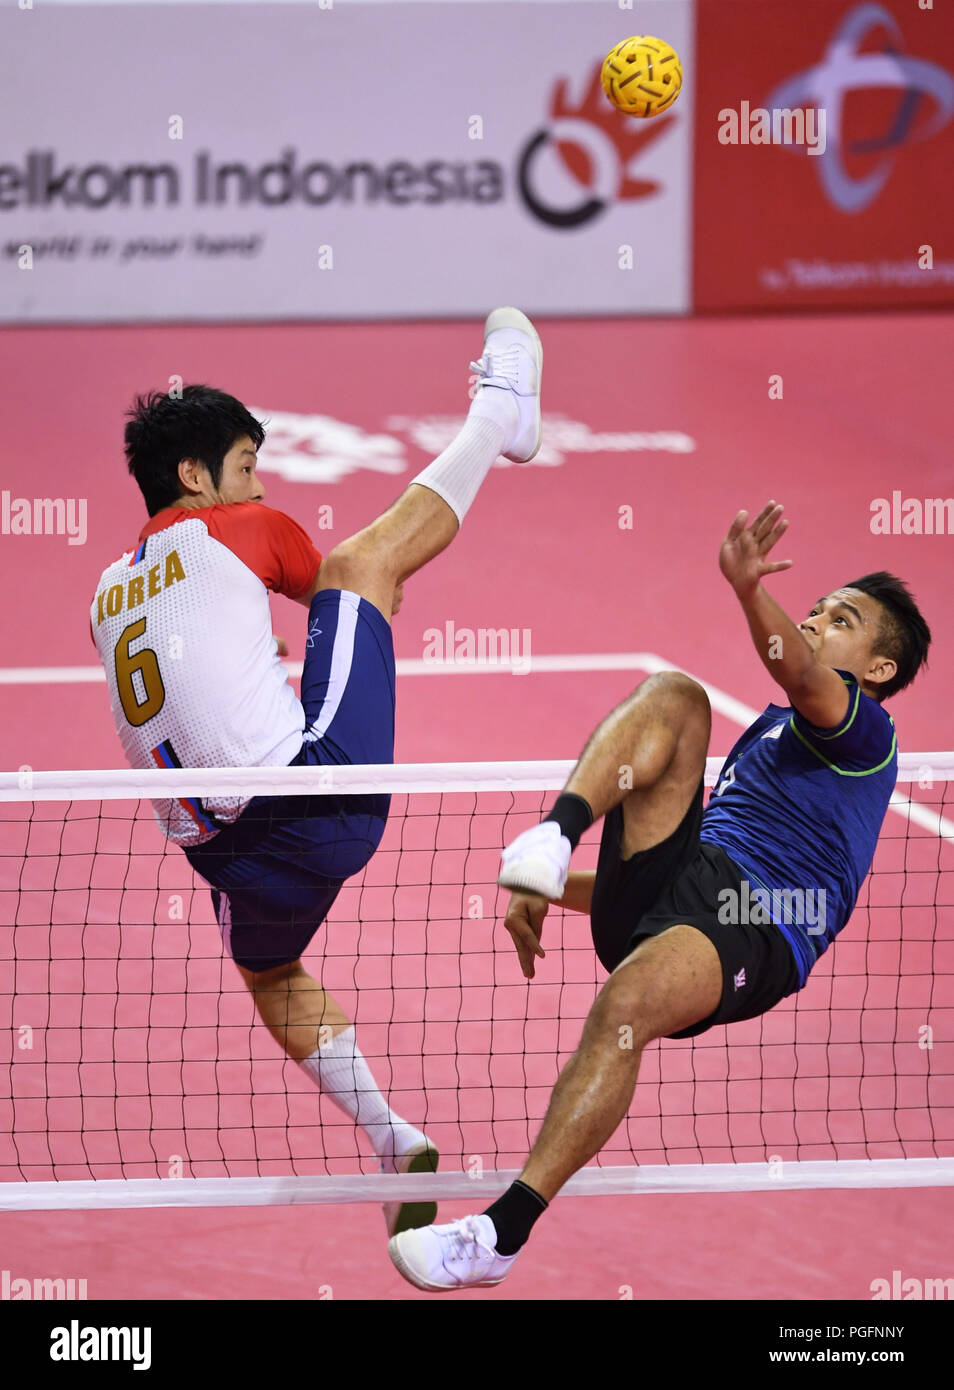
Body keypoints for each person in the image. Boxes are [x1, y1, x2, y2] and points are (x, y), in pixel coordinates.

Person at [388, 502, 931, 1288]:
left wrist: (749, 592)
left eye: (839, 619)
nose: (815, 619)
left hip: (761, 924)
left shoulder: (862, 730)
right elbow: (687, 866)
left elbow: (799, 669)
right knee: (677, 695)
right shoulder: (778, 732)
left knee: (624, 1008)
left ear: (878, 669)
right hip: (691, 885)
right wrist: (557, 887)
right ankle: (555, 832)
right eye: (814, 607)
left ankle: (496, 1237)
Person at [90, 307, 543, 1237]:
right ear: (195, 475)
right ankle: (504, 409)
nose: (259, 483)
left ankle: (388, 1134)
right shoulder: (234, 528)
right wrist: (356, 609)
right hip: (316, 801)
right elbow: (367, 575)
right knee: (358, 558)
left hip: (227, 864)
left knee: (271, 974)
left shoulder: (102, 596)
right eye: (248, 465)